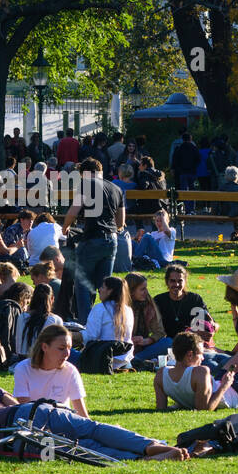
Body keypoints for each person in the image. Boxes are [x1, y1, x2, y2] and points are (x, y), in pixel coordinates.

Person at [0, 370, 191, 461]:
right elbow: (12, 403)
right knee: (93, 428)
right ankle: (150, 446)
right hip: (29, 413)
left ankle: (139, 459)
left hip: (18, 437)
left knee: (80, 447)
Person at [63, 158, 125, 319]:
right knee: (106, 287)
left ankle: (86, 324)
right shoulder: (117, 188)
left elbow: (73, 211)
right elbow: (121, 222)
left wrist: (65, 227)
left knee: (82, 285)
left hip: (91, 238)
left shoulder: (86, 184)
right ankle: (109, 321)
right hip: (111, 240)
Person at [13, 325, 91, 417]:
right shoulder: (23, 369)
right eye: (61, 348)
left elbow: (82, 414)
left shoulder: (70, 371)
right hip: (33, 426)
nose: (67, 354)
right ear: (45, 347)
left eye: (69, 348)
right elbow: (26, 410)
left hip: (63, 425)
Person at [83, 275, 134, 371]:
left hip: (102, 358)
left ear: (110, 291)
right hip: (124, 358)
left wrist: (72, 336)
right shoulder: (128, 310)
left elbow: (90, 337)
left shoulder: (100, 308)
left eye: (102, 287)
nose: (99, 290)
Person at [125, 273, 171, 364]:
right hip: (124, 345)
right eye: (142, 289)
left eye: (146, 288)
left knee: (168, 342)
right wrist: (130, 340)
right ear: (131, 291)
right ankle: (132, 360)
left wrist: (148, 340)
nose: (146, 292)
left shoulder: (148, 304)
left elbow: (160, 332)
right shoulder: (121, 307)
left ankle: (136, 360)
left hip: (143, 347)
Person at [153, 264, 208, 340]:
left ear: (185, 281)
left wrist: (213, 327)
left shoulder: (194, 299)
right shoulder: (159, 300)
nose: (176, 284)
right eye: (172, 281)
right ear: (167, 282)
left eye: (180, 281)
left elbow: (210, 323)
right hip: (166, 343)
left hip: (190, 342)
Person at [17, 283, 64, 358]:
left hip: (22, 359)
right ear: (52, 299)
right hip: (45, 360)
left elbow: (18, 346)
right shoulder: (56, 320)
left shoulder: (22, 317)